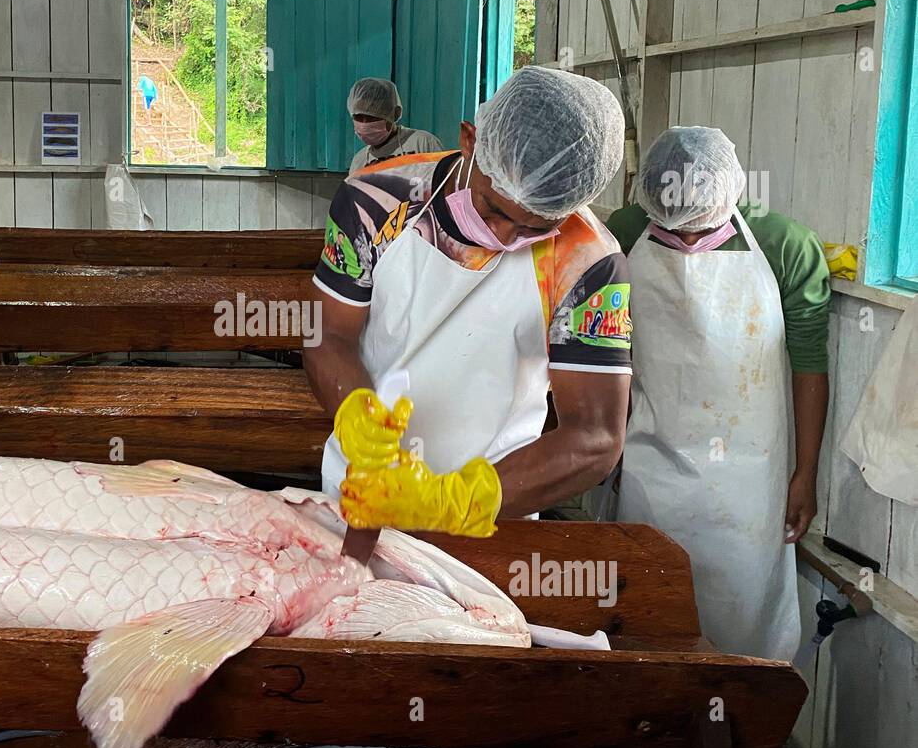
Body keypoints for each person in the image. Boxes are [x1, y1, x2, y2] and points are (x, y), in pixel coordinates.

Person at [307, 66, 632, 539]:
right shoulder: (374, 201)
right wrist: (356, 411)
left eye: (534, 227)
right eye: (494, 208)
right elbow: (328, 335)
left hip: (496, 509)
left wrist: (457, 502)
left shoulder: (589, 262)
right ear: (469, 140)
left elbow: (596, 437)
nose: (503, 235)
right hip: (361, 488)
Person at [605, 126, 830, 661]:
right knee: (650, 604)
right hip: (648, 457)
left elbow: (809, 364)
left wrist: (806, 471)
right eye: (671, 230)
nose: (685, 242)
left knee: (740, 608)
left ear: (731, 196)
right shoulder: (626, 230)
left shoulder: (784, 246)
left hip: (751, 473)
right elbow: (606, 348)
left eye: (698, 229)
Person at [347, 77, 442, 175]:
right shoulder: (359, 162)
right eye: (358, 117)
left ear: (394, 114)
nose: (364, 124)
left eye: (372, 117)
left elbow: (446, 183)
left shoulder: (422, 143)